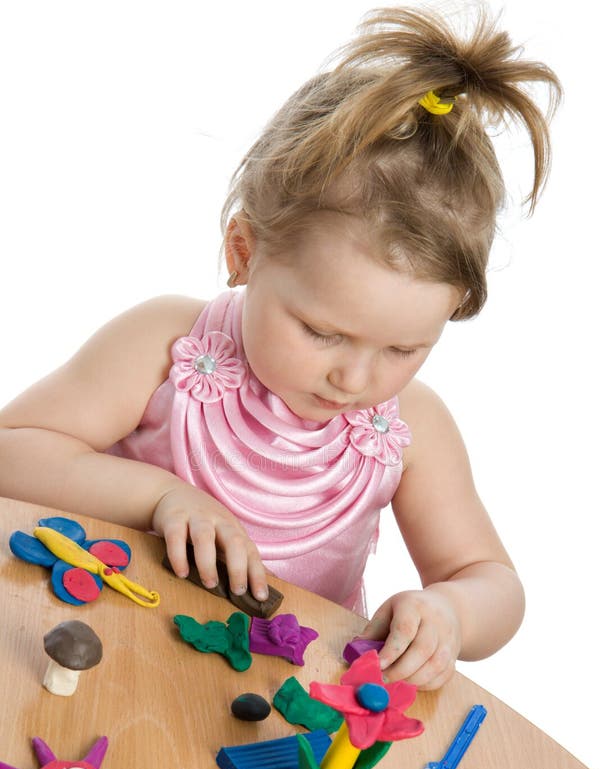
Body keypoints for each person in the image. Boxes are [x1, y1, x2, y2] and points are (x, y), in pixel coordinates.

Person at [0, 5, 561, 690]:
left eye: (404, 349)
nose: (354, 377)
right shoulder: (165, 345)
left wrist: (451, 611)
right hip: (103, 657)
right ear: (244, 252)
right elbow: (13, 452)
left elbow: (491, 581)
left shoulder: (412, 428)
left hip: (273, 701)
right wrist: (161, 498)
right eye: (323, 332)